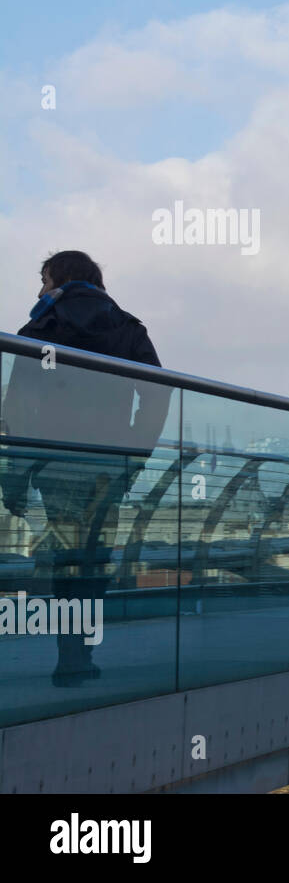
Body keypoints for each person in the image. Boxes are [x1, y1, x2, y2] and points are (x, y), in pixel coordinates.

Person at [0, 251, 169, 686]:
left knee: (65, 560)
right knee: (94, 559)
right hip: (107, 466)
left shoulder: (40, 328)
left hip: (54, 463)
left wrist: (14, 477)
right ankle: (81, 654)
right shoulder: (127, 328)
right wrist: (135, 453)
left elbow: (16, 408)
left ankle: (70, 656)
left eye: (43, 279)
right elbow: (157, 392)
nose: (39, 290)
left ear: (60, 278)